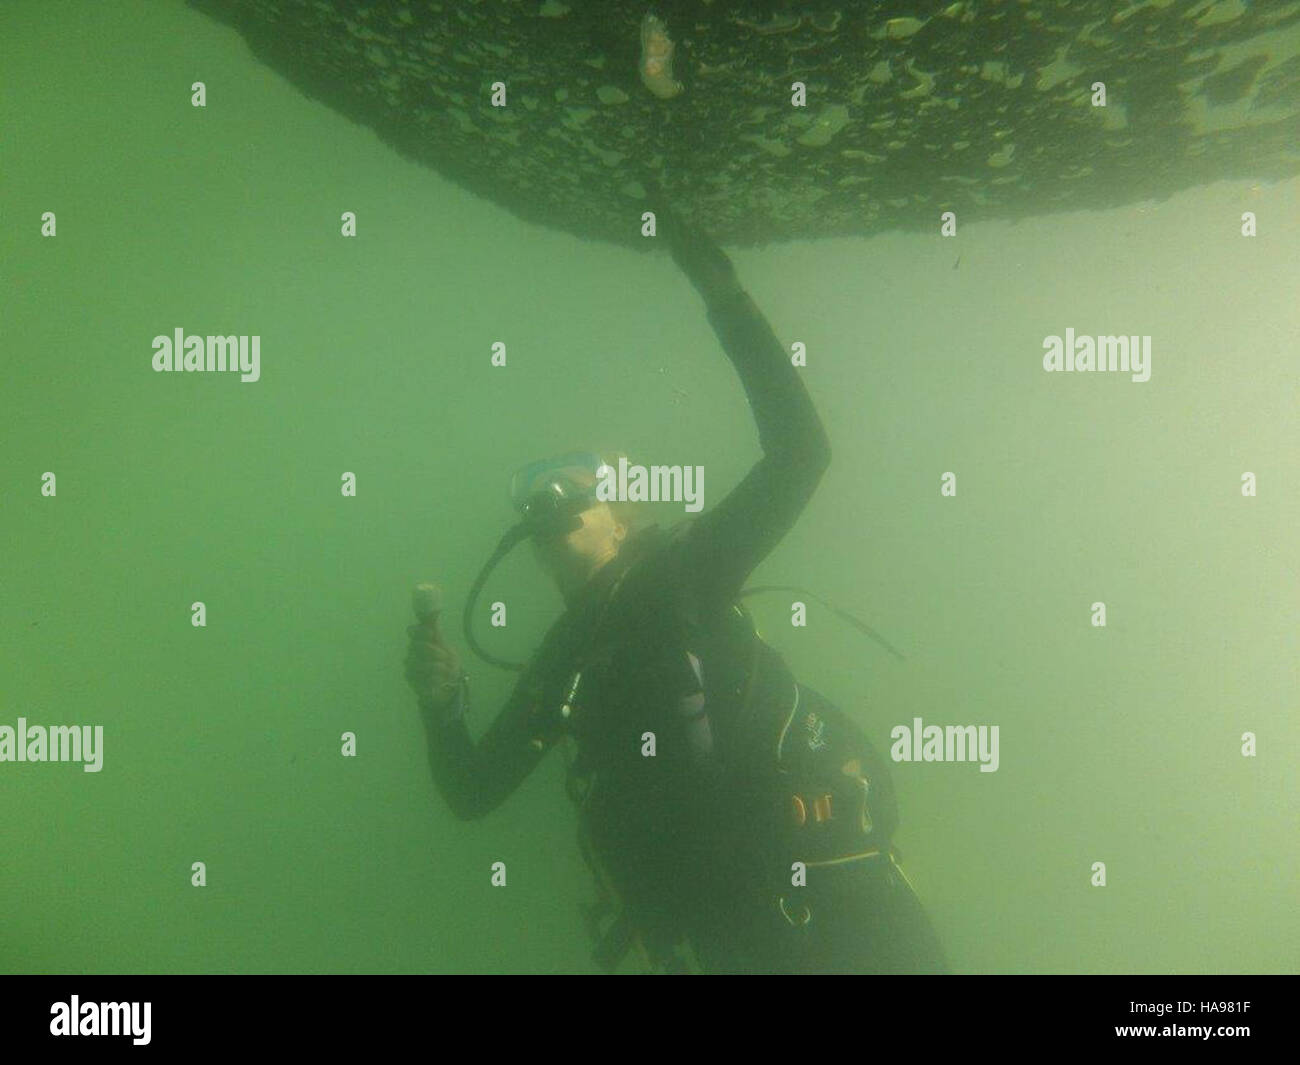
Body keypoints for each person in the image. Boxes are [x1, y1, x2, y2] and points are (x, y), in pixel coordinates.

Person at [405, 206, 948, 974]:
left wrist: (726, 299)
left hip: (841, 914)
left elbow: (801, 452)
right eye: (536, 499)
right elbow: (471, 790)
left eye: (574, 486)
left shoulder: (685, 571)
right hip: (728, 948)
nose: (549, 503)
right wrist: (438, 710)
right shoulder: (562, 665)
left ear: (623, 518)